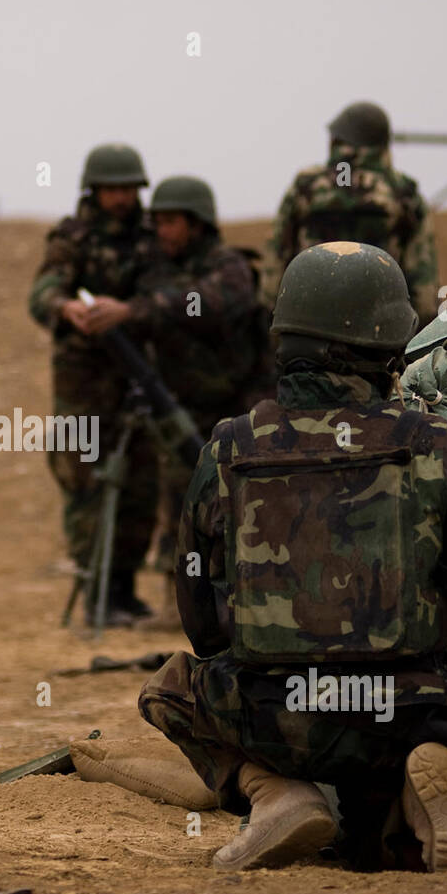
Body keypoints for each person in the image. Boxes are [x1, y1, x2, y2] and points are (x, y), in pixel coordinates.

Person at [139, 241, 447, 872]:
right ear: (392, 347)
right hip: (406, 711)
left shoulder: (229, 448)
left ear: (284, 340)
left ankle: (275, 793)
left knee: (169, 689)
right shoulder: (437, 444)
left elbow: (198, 613)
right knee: (378, 829)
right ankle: (414, 782)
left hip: (273, 717)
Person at [123, 175, 269, 627]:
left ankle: (252, 602)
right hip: (176, 407)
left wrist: (141, 309)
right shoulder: (154, 268)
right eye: (158, 222)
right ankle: (178, 606)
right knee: (179, 510)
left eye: (171, 221)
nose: (162, 231)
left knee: (240, 509)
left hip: (233, 410)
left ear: (198, 223)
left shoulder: (229, 265)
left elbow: (213, 303)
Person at [28, 143, 159, 623]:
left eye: (127, 188)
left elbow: (167, 295)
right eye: (112, 189)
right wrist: (68, 308)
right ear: (94, 190)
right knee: (84, 483)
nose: (121, 197)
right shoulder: (72, 236)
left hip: (139, 378)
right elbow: (42, 292)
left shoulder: (152, 237)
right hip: (82, 382)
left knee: (141, 484)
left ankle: (122, 591)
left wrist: (129, 312)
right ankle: (95, 592)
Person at [263, 102, 438, 325]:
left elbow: (276, 255)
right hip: (380, 327)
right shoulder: (403, 192)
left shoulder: (307, 185)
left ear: (338, 140)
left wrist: (271, 316)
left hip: (309, 323)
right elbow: (424, 280)